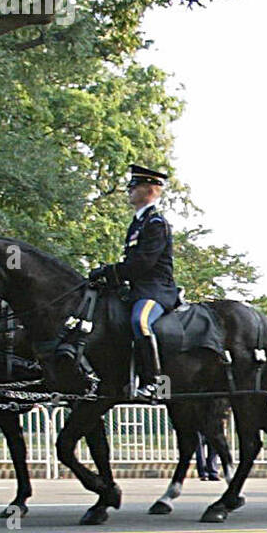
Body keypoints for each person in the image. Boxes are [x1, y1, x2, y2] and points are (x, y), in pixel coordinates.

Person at [87, 164, 179, 401]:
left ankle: (154, 382)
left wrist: (111, 272)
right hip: (137, 289)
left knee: (141, 321)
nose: (130, 190)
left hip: (155, 290)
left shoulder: (156, 223)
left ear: (150, 189)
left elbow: (143, 263)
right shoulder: (138, 223)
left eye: (135, 186)